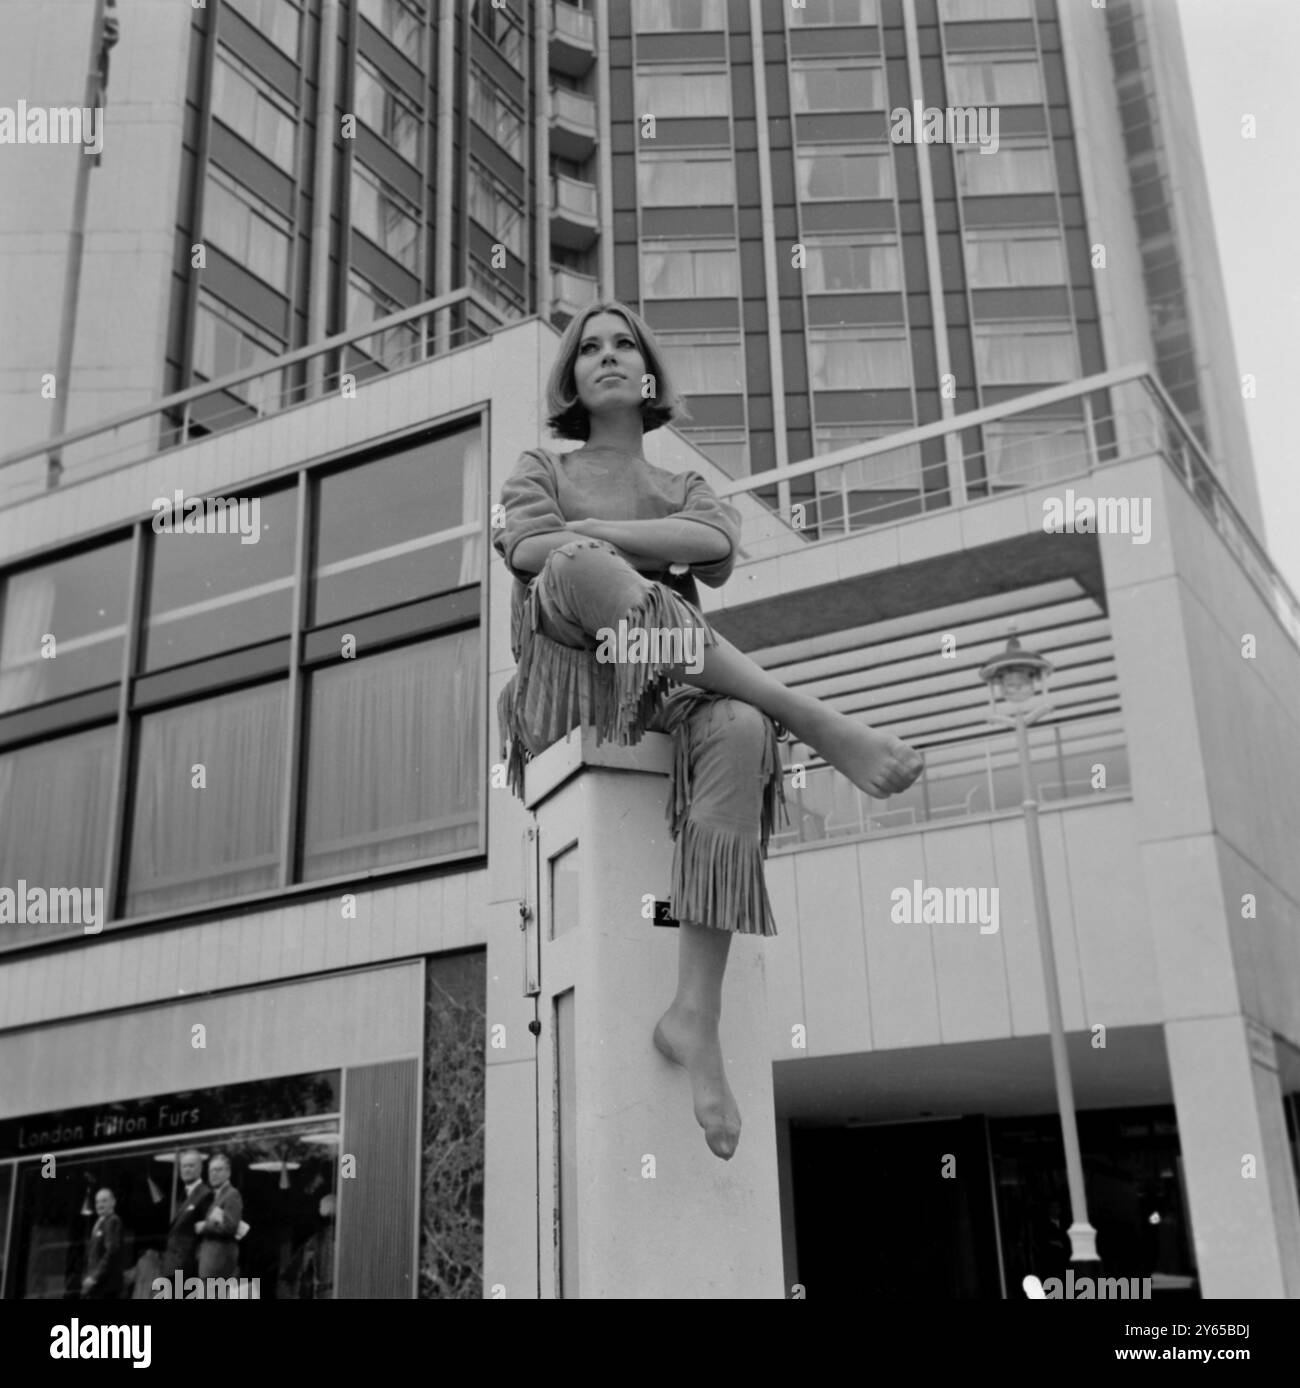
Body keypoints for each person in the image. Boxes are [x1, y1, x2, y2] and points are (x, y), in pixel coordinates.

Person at [493, 299, 923, 1161]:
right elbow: (533, 551)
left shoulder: (682, 481)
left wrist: (599, 530)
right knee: (581, 568)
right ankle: (812, 716)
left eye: (625, 346)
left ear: (650, 375)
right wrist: (603, 549)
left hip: (673, 687)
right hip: (572, 679)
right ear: (570, 377)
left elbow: (713, 538)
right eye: (591, 349)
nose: (609, 356)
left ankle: (696, 1013)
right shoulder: (542, 463)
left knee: (738, 728)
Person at [161, 1149, 212, 1280]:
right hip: (174, 1268)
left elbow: (208, 1232)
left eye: (191, 1165)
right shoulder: (183, 1194)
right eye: (184, 1166)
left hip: (189, 1270)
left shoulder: (205, 1194)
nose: (187, 1169)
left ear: (200, 1168)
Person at [195, 1154, 243, 1279]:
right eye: (211, 1171)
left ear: (228, 1172)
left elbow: (230, 1227)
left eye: (218, 1170)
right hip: (211, 1267)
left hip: (219, 1268)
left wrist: (204, 1226)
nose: (214, 1174)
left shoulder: (232, 1195)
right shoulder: (217, 1196)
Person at [81, 1187, 124, 1298]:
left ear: (113, 1202)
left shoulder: (113, 1221)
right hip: (97, 1286)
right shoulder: (100, 1222)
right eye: (97, 1202)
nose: (99, 1205)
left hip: (106, 1287)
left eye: (104, 1201)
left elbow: (111, 1252)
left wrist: (94, 1277)